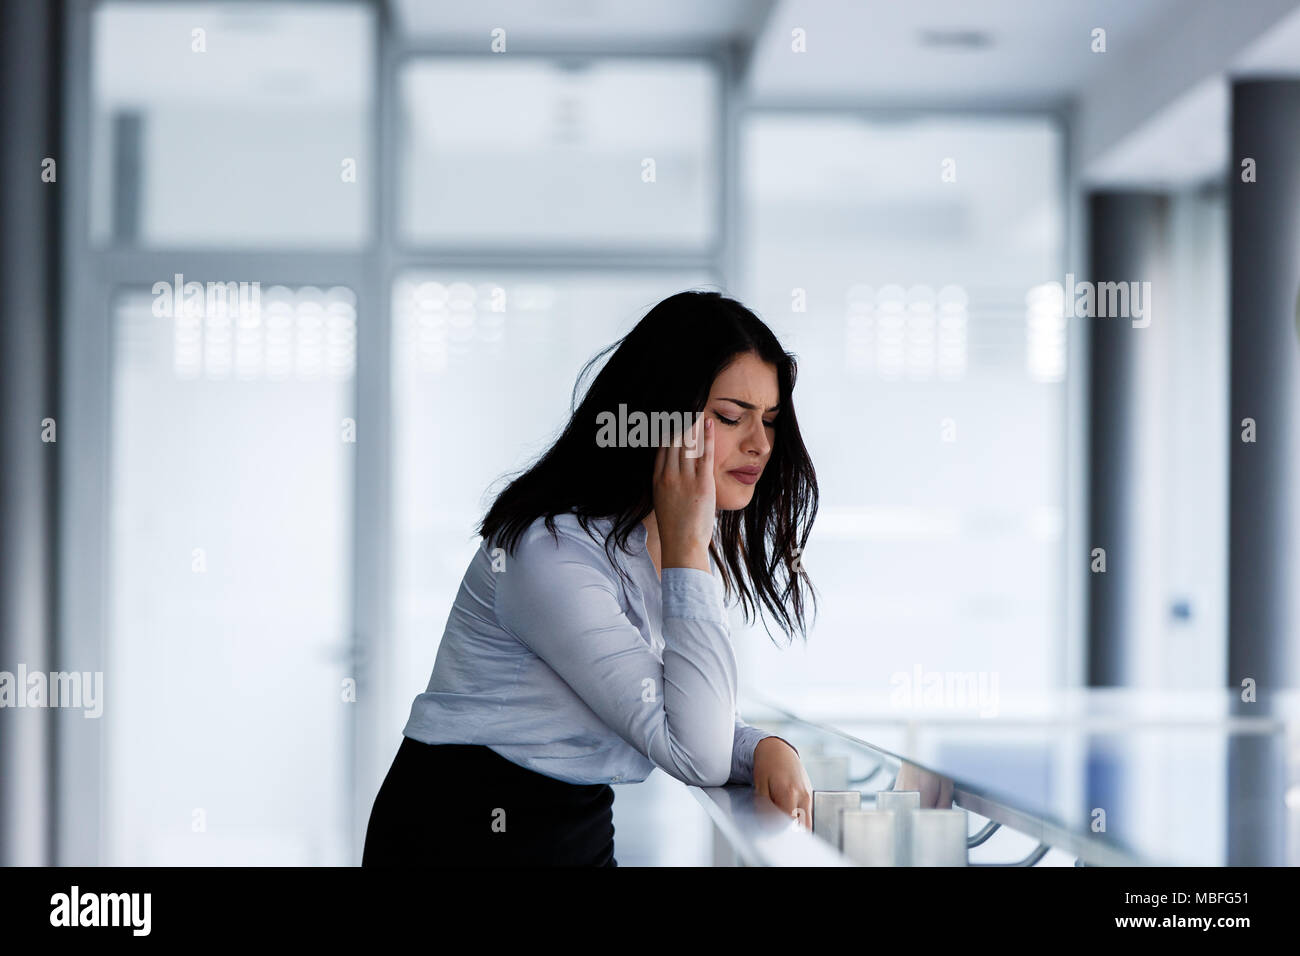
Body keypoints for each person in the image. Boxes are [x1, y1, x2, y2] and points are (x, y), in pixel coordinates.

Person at [362, 290, 819, 867]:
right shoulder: (548, 552)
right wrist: (687, 550)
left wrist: (762, 747)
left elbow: (678, 706)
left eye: (770, 421)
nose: (760, 444)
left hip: (572, 824)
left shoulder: (661, 541)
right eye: (731, 417)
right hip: (462, 832)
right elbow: (695, 752)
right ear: (660, 413)